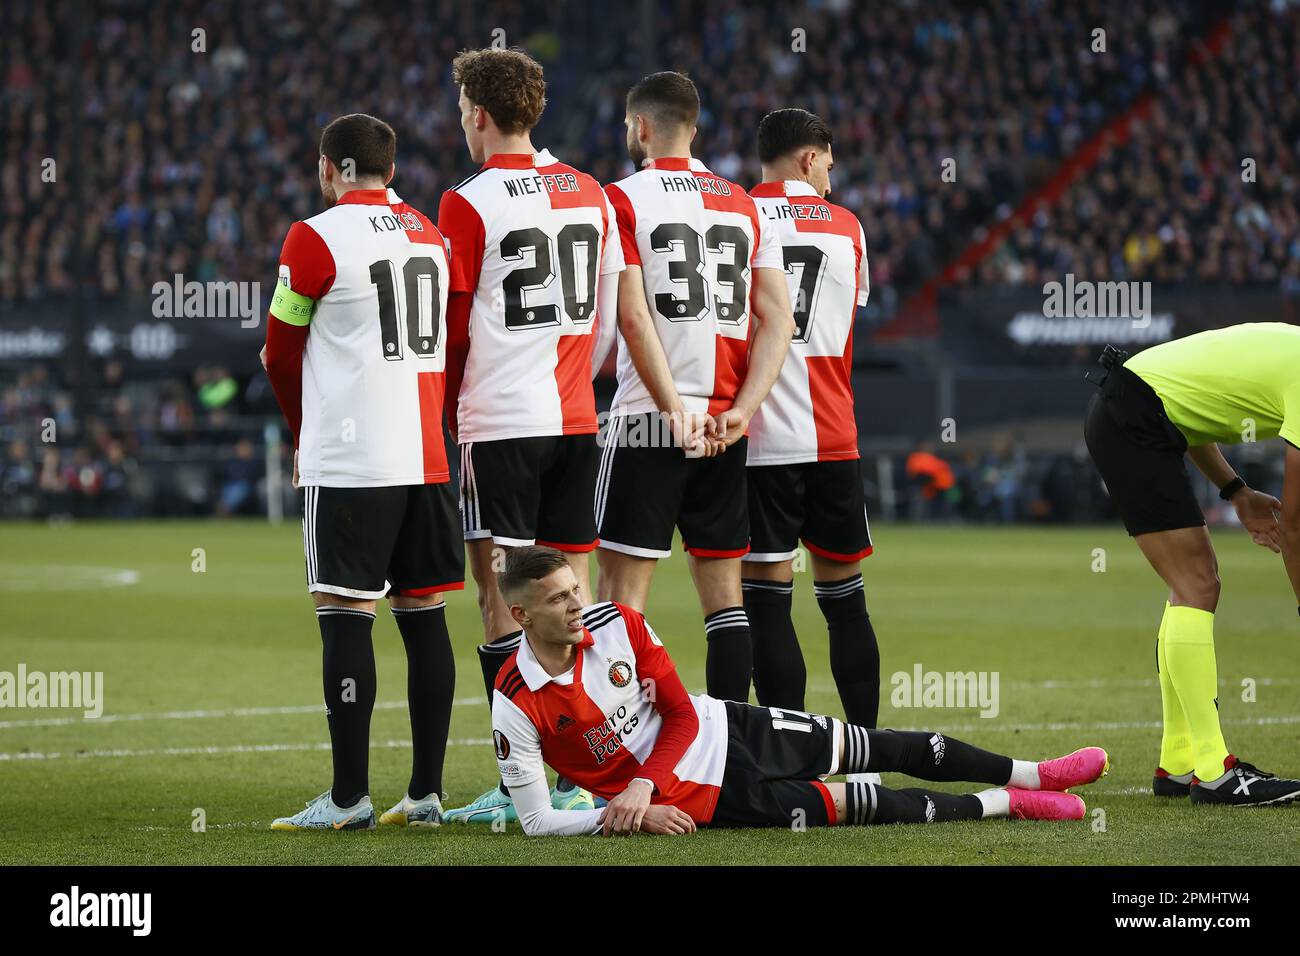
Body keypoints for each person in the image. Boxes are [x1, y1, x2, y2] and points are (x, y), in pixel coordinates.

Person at [437, 48, 683, 824]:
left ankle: (518, 782)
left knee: (500, 602)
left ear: (478, 113)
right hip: (578, 421)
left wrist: (440, 413)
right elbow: (623, 317)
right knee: (570, 606)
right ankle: (582, 772)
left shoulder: (466, 201)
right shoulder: (591, 193)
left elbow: (453, 327)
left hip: (501, 423)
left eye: (461, 112)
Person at [490, 546, 1109, 836]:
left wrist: (642, 783)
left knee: (879, 746)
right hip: (706, 804)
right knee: (862, 807)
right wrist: (625, 815)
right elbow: (539, 821)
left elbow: (678, 714)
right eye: (559, 599)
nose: (578, 605)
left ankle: (1033, 774)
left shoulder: (619, 624)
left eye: (576, 589)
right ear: (520, 617)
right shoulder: (515, 703)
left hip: (727, 730)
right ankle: (1005, 806)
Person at [262, 113, 463, 830]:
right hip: (428, 457)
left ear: (328, 168)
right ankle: (428, 793)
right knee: (425, 616)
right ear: (392, 167)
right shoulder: (433, 236)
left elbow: (277, 354)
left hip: (353, 460)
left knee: (346, 615)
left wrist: (302, 432)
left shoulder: (313, 238)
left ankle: (348, 800)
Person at [596, 71, 795, 705]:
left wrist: (672, 410)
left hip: (649, 419)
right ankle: (730, 752)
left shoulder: (620, 199)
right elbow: (780, 321)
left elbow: (633, 317)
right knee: (724, 601)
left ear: (643, 127)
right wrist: (741, 410)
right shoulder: (742, 202)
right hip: (723, 426)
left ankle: (615, 751)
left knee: (620, 598)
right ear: (695, 129)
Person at [1084, 325, 1300, 806]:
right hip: (1131, 416)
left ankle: (1180, 763)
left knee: (1192, 586)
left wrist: (1235, 491)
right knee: (1197, 584)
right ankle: (1215, 771)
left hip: (1132, 409)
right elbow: (1297, 527)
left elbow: (1184, 414)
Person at [741, 109, 880, 757]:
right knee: (845, 602)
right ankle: (867, 756)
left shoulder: (735, 217)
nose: (831, 174)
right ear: (807, 158)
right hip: (833, 435)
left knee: (768, 604)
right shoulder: (849, 228)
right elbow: (845, 315)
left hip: (759, 435)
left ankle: (788, 759)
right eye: (828, 161)